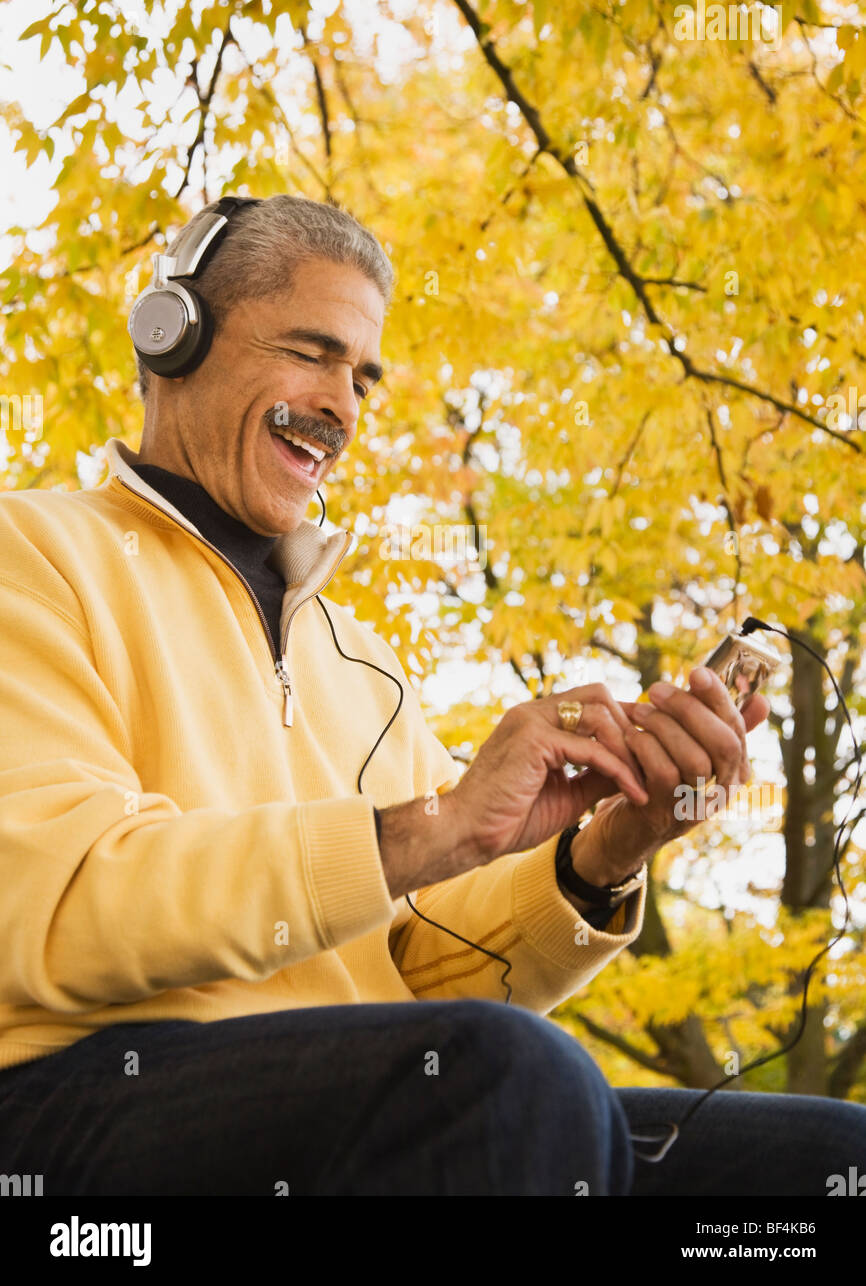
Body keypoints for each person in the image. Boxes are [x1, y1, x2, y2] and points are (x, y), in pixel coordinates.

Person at [0, 194, 861, 1196]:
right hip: (73, 1101)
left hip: (354, 1093)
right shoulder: (34, 555)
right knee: (506, 1079)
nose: (341, 404)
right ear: (173, 339)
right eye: (310, 352)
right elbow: (58, 904)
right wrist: (432, 825)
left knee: (828, 1162)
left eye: (360, 375)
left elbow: (429, 970)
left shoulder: (356, 661)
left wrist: (605, 851)